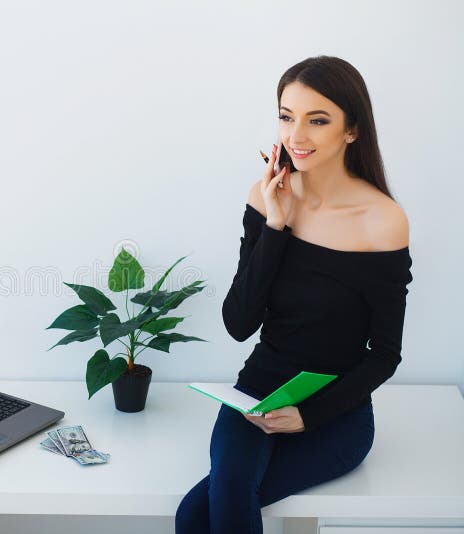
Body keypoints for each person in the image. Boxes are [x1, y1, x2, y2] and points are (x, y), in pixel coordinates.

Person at [175, 55, 413, 534]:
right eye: (287, 117)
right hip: (256, 394)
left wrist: (307, 416)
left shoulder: (381, 220)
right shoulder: (264, 197)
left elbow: (384, 355)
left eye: (317, 120)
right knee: (198, 509)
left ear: (352, 130)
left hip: (336, 413)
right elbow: (238, 324)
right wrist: (276, 225)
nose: (296, 136)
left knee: (201, 513)